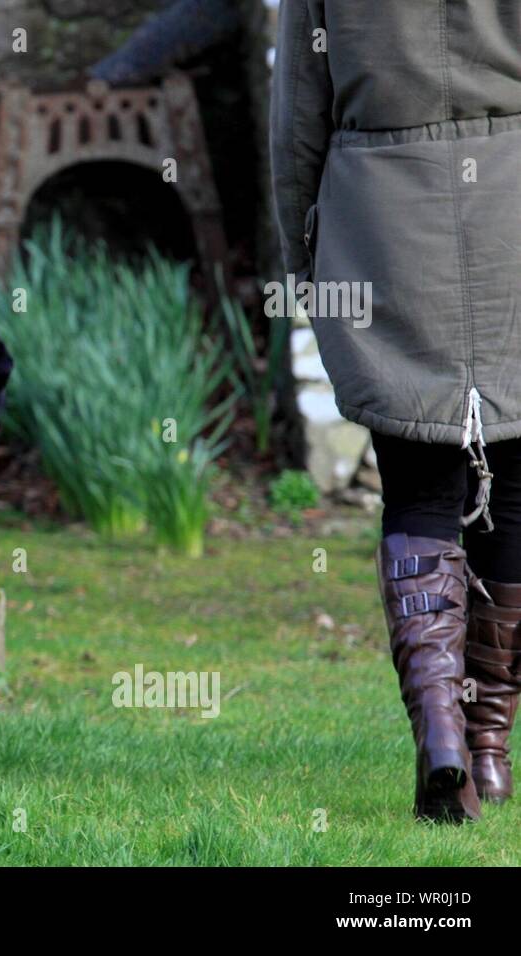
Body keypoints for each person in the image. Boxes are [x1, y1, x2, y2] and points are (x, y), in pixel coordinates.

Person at [271, 0, 521, 822]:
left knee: (417, 487)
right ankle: (489, 753)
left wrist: (303, 255)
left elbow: (299, 111)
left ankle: (442, 735)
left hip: (381, 212)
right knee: (515, 485)